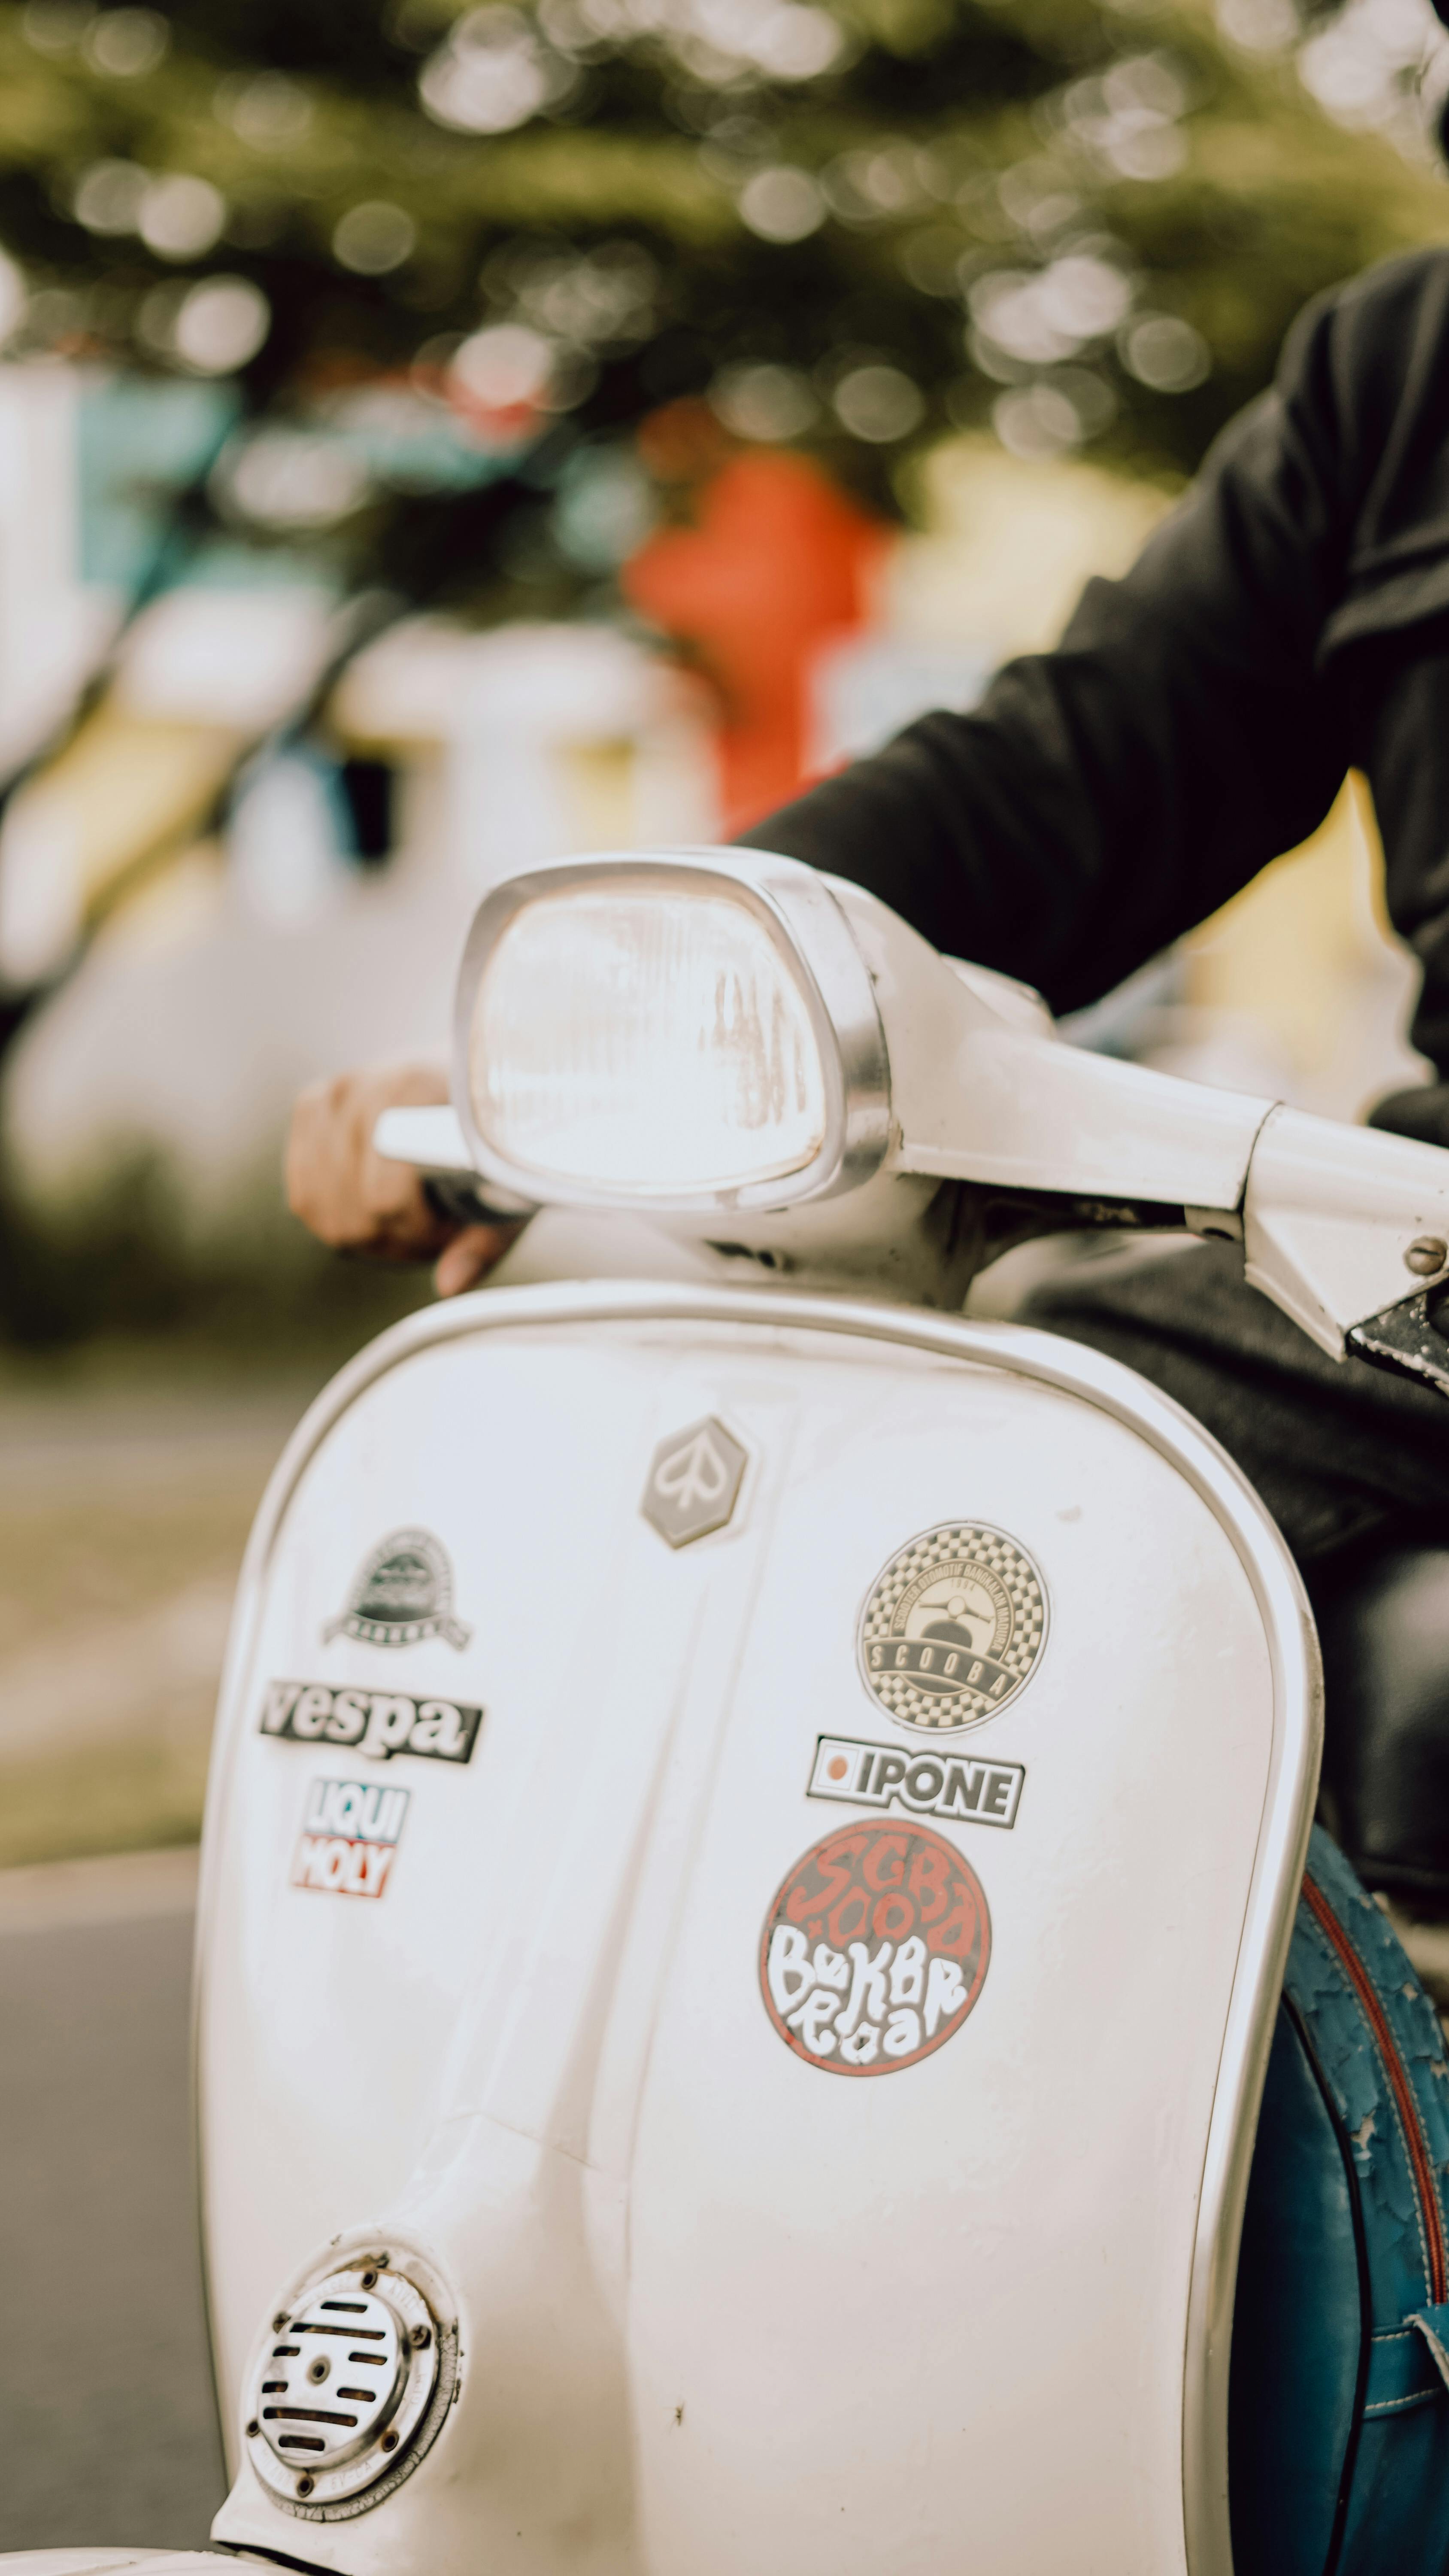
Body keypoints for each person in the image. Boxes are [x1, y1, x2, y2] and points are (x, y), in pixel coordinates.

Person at [288, 243, 1449, 1605]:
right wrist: (608, 1016)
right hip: (1422, 1258)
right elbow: (1076, 769)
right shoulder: (1401, 369)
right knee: (993, 1466)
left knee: (1096, 1470)